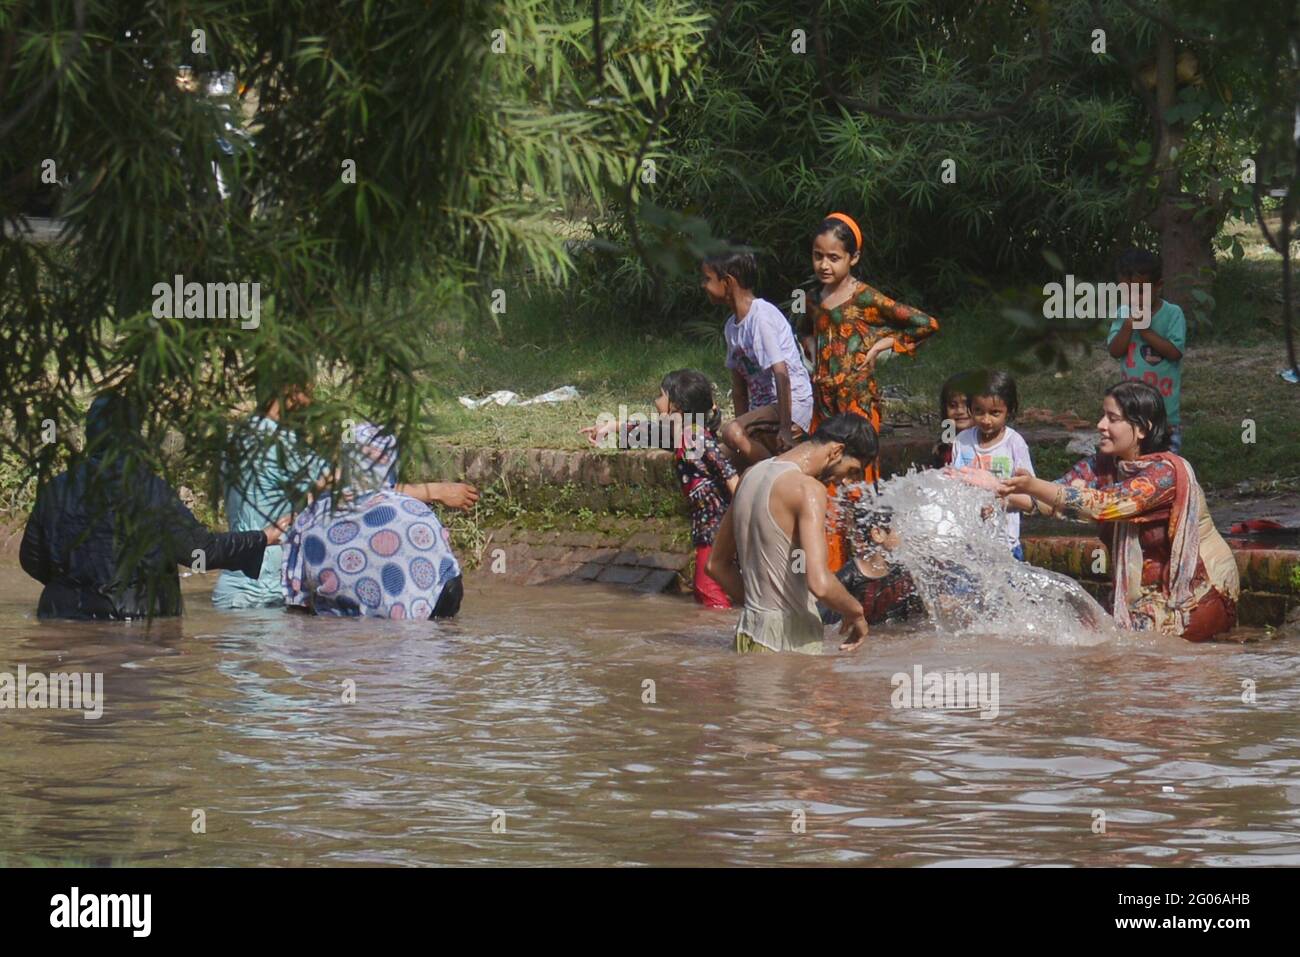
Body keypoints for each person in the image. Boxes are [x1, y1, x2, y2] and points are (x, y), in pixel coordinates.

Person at [998, 380, 1239, 641]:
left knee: (1119, 646)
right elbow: (1054, 498)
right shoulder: (1105, 465)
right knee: (1079, 632)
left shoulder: (1164, 473)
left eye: (1112, 418)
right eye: (1103, 416)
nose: (1101, 425)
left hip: (1198, 592)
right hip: (1144, 593)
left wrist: (1032, 485)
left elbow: (1103, 505)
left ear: (1142, 429)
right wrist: (997, 490)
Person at [19, 393, 282, 620]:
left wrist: (77, 586)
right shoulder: (151, 490)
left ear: (91, 435)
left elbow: (31, 559)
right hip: (139, 619)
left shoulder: (56, 489)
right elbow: (200, 552)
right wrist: (262, 538)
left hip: (62, 616)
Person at [798, 212, 940, 569]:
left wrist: (884, 345)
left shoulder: (865, 298)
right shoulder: (813, 299)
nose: (824, 264)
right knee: (824, 485)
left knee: (859, 485)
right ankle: (828, 570)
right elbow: (806, 330)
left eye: (834, 257)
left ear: (853, 258)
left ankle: (864, 569)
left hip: (858, 406)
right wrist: (810, 348)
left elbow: (926, 323)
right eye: (818, 256)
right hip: (824, 408)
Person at [707, 413, 877, 654]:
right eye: (852, 470)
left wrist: (762, 611)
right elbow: (820, 583)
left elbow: (716, 565)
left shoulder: (750, 475)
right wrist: (856, 612)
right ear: (837, 450)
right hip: (790, 641)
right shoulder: (808, 489)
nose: (847, 482)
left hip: (748, 633)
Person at [581, 371, 740, 608]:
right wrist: (610, 428)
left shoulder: (695, 436)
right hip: (707, 526)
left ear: (676, 405)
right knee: (711, 588)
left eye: (660, 396)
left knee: (707, 589)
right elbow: (647, 432)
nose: (656, 401)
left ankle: (717, 634)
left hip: (716, 525)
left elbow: (730, 475)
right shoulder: (682, 434)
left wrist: (743, 518)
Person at [281, 422, 468, 619]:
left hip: (341, 626)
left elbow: (297, 599)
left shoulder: (309, 519)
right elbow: (448, 577)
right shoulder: (416, 512)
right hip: (417, 624)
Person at [212, 383, 331, 609]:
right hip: (263, 594)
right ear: (291, 391)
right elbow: (341, 483)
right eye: (310, 394)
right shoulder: (278, 443)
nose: (311, 405)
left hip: (231, 589)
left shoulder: (235, 437)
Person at [701, 248, 815, 467]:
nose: (704, 285)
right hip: (764, 415)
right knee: (716, 458)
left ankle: (780, 478)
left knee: (731, 431)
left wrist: (784, 428)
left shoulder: (761, 317)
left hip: (791, 407)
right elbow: (739, 389)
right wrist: (741, 440)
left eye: (707, 279)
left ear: (727, 281)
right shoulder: (731, 328)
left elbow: (782, 374)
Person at [1106, 247, 1186, 454]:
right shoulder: (1124, 313)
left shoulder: (1172, 314)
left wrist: (1146, 331)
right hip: (1131, 410)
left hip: (1165, 412)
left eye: (1140, 291)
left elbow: (1175, 352)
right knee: (1132, 460)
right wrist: (1127, 327)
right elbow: (1115, 350)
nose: (1134, 299)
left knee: (1165, 460)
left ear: (1158, 286)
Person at [948, 370, 1035, 560]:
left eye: (995, 413)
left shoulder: (1014, 444)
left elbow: (1030, 497)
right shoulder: (962, 441)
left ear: (1009, 410)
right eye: (979, 411)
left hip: (1005, 546)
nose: (986, 420)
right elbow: (953, 485)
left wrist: (1000, 500)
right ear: (970, 408)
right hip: (968, 544)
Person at [819, 498, 923, 627]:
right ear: (878, 534)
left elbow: (919, 615)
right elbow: (821, 624)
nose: (909, 535)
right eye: (901, 528)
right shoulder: (850, 576)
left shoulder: (904, 570)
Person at [931, 370, 976, 468]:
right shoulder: (943, 446)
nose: (959, 411)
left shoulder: (988, 443)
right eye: (953, 405)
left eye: (967, 405)